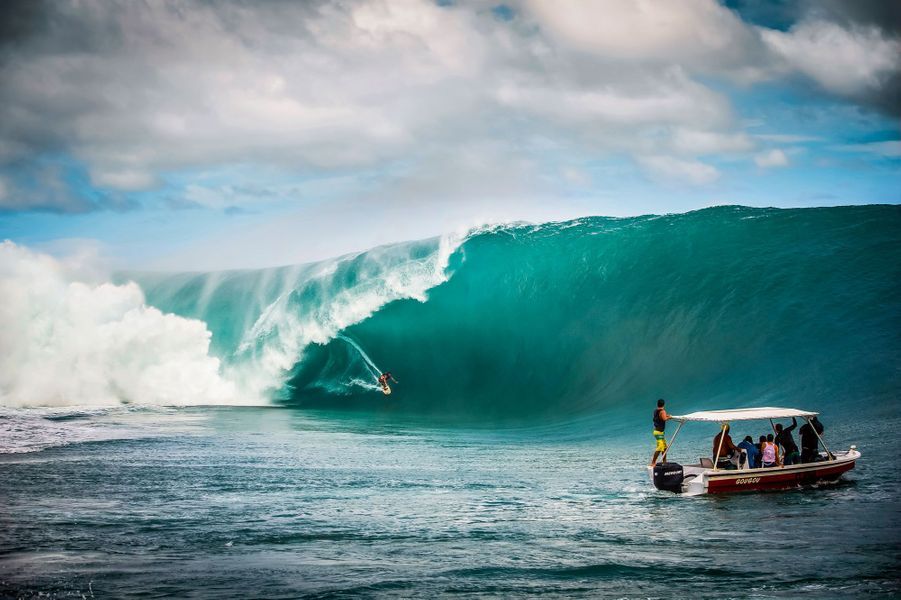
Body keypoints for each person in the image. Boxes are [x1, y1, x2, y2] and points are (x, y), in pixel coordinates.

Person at [649, 398, 672, 467]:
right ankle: (653, 462)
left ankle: (664, 462)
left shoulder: (655, 410)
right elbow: (664, 418)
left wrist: (667, 415)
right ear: (664, 404)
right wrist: (669, 417)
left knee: (665, 447)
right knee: (660, 447)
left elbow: (660, 417)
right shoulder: (662, 411)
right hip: (658, 432)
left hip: (658, 432)